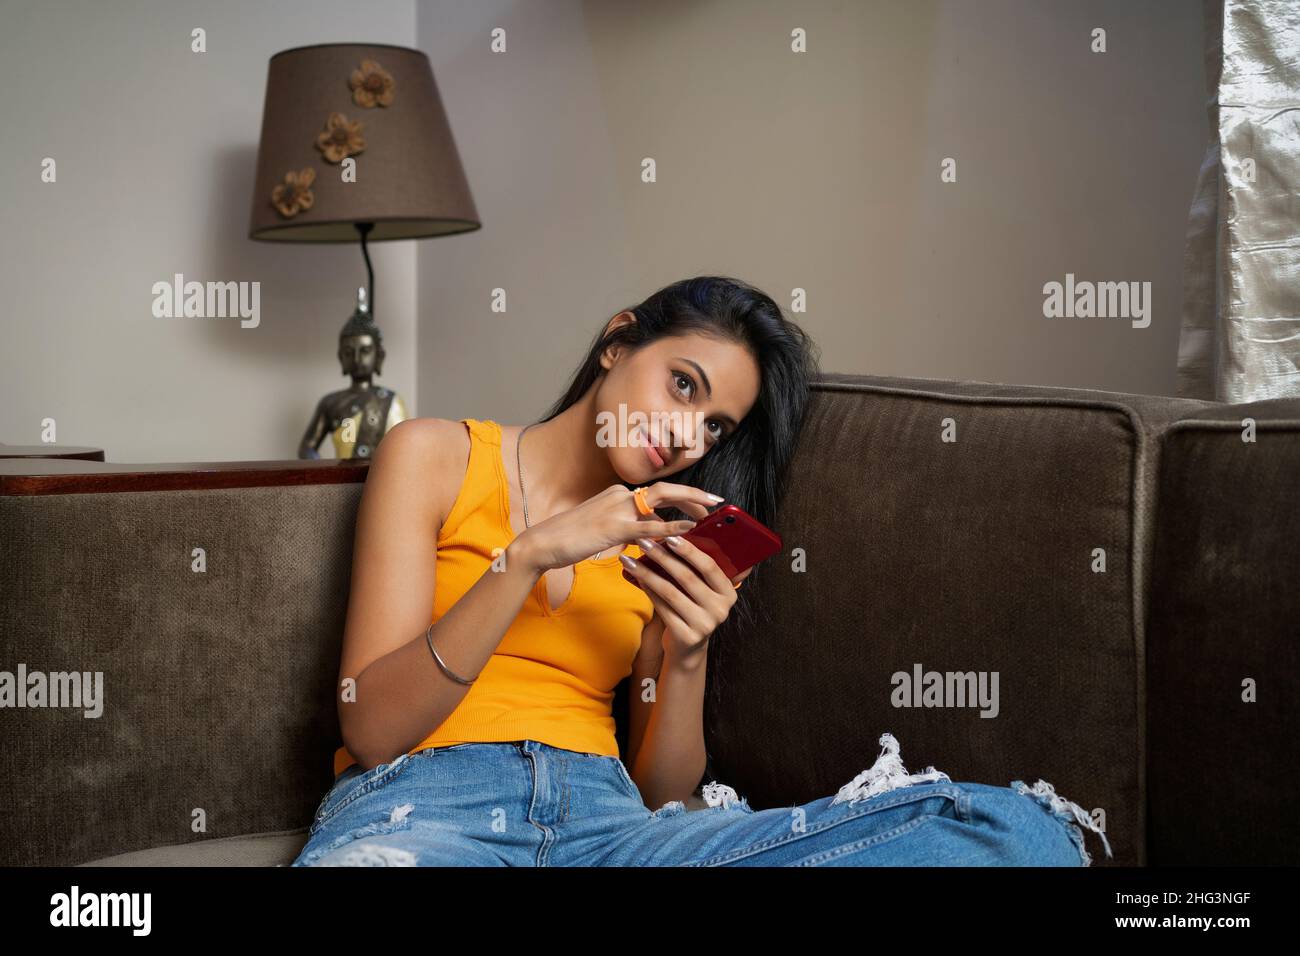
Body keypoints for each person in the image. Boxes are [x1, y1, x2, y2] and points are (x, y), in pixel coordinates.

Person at [291, 275, 1111, 867]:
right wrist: (530, 555)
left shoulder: (659, 537)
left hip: (609, 830)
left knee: (1011, 834)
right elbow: (371, 727)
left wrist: (688, 650)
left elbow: (660, 794)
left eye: (714, 426)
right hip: (428, 811)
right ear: (619, 341)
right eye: (683, 385)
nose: (686, 435)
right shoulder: (435, 456)